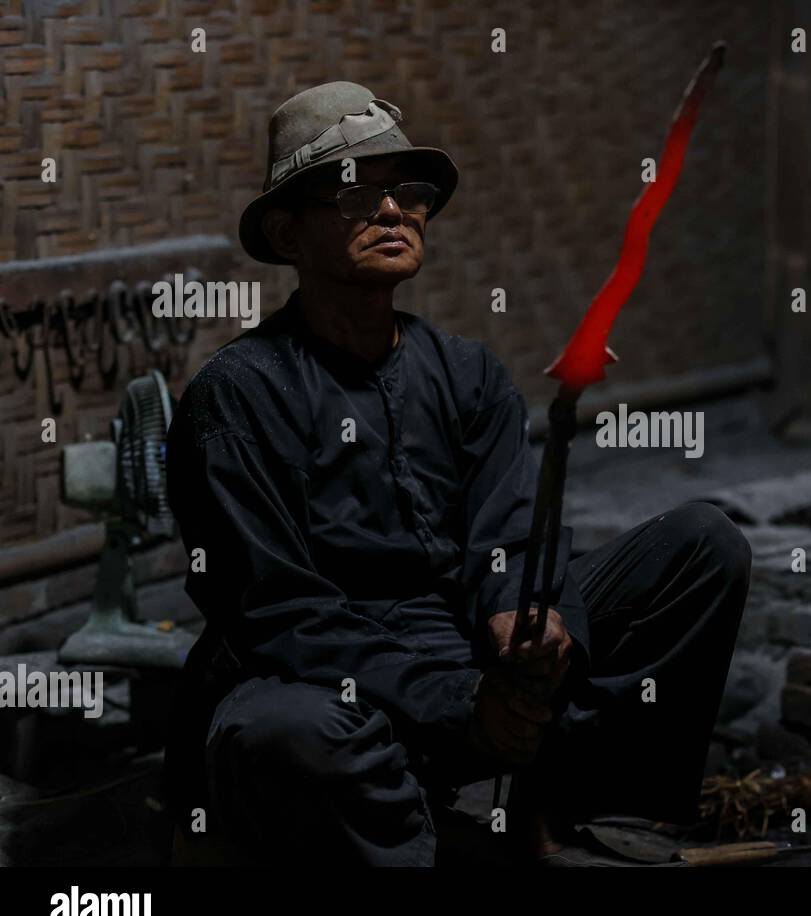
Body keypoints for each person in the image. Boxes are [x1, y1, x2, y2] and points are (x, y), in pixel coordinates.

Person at [162, 81, 750, 866]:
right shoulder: (238, 395)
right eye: (352, 194)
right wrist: (460, 703)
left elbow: (508, 531)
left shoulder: (467, 374)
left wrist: (528, 615)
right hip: (332, 678)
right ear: (286, 232)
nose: (393, 211)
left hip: (466, 652)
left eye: (408, 191)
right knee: (282, 733)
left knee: (702, 545)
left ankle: (581, 819)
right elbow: (280, 614)